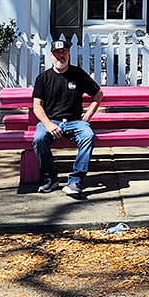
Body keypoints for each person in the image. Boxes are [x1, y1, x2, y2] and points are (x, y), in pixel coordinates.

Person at [32, 40, 103, 198]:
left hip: (75, 121)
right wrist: (49, 125)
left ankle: (75, 181)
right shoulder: (42, 78)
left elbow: (98, 94)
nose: (60, 56)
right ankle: (50, 179)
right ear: (51, 55)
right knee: (38, 138)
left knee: (88, 136)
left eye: (63, 52)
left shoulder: (78, 74)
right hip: (51, 121)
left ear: (69, 54)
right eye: (57, 53)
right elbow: (37, 106)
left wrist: (88, 116)